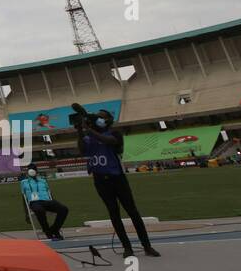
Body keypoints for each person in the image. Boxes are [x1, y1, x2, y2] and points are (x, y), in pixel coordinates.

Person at [78, 109, 160, 258]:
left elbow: (110, 142)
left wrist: (88, 130)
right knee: (113, 214)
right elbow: (82, 150)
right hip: (100, 180)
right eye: (98, 117)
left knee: (133, 212)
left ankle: (147, 246)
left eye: (102, 117)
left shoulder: (114, 133)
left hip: (117, 178)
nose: (99, 119)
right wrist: (79, 131)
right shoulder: (88, 136)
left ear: (109, 120)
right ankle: (127, 247)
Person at [19, 165, 68, 240]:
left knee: (64, 209)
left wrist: (54, 202)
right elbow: (24, 197)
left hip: (47, 200)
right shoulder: (24, 182)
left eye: (33, 170)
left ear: (36, 171)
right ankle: (47, 231)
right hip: (34, 202)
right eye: (30, 170)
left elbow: (49, 193)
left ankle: (54, 229)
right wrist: (26, 214)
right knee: (39, 210)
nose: (31, 171)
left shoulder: (43, 180)